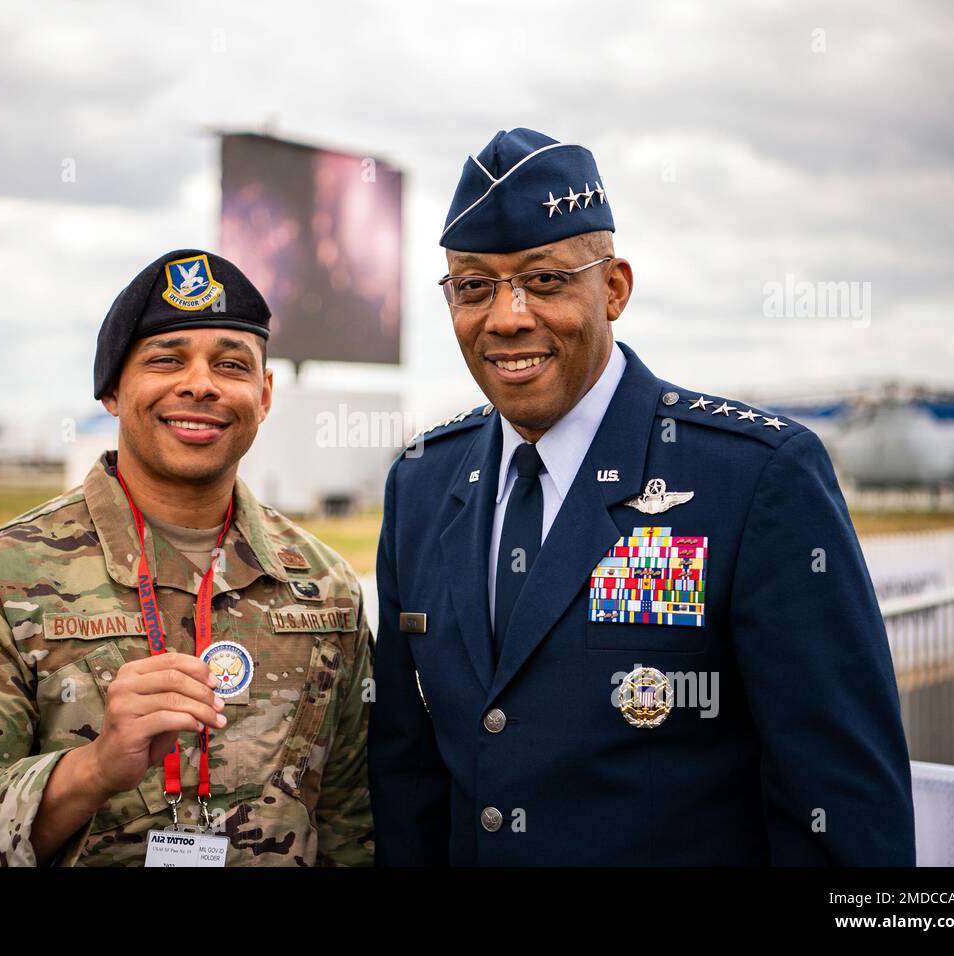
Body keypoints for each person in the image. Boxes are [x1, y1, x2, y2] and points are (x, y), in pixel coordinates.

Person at [367, 128, 915, 865]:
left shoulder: (755, 478)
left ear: (614, 288)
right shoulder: (423, 483)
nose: (506, 316)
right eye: (474, 287)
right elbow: (408, 778)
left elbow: (844, 804)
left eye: (546, 279)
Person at [0, 248, 373, 866]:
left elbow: (352, 822)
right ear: (111, 389)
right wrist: (92, 769)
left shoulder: (324, 589)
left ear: (263, 395)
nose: (201, 383)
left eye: (231, 364)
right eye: (166, 359)